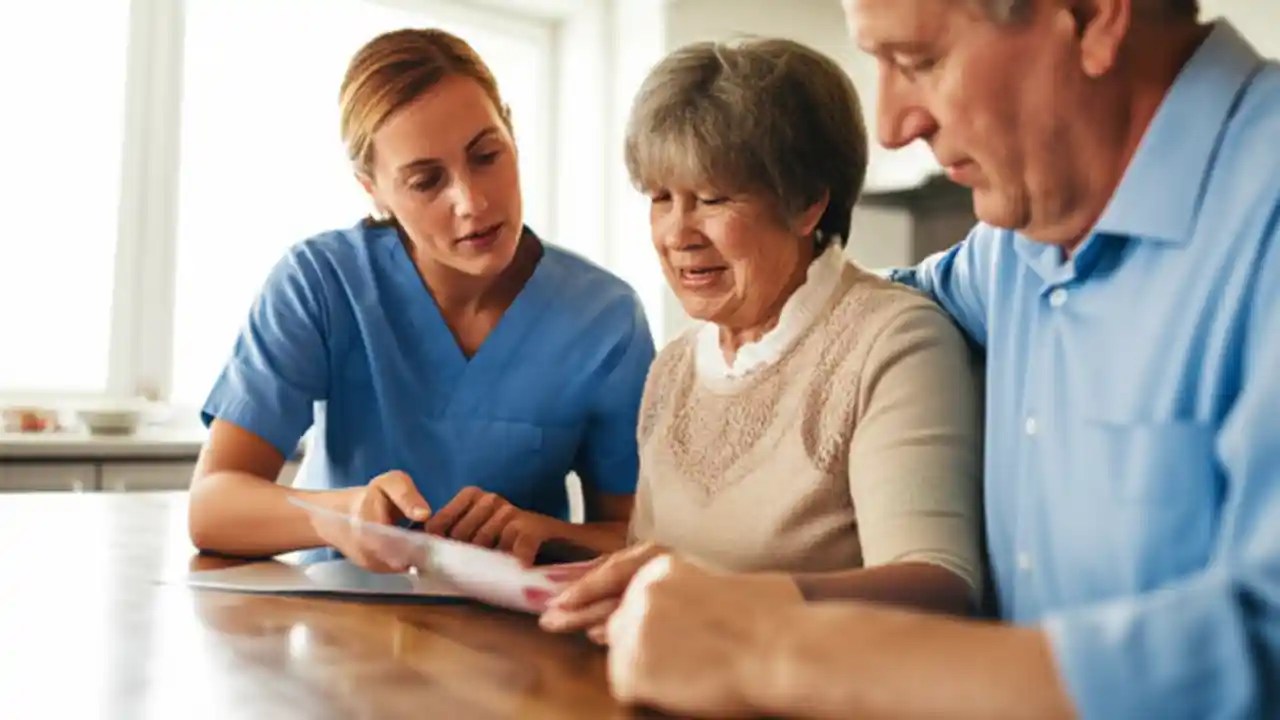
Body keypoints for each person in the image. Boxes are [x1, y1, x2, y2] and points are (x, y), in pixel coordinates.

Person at [600, 1, 1280, 718]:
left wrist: (766, 644)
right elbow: (845, 310)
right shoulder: (1014, 248)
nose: (893, 126)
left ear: (1093, 17)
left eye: (919, 62)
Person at [537, 37, 984, 643]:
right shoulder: (672, 369)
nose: (678, 233)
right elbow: (654, 573)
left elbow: (938, 588)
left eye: (713, 199)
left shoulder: (892, 341)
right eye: (661, 198)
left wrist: (728, 600)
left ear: (807, 205)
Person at [187, 28, 654, 570]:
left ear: (512, 135)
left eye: (486, 155)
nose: (471, 202)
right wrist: (338, 515)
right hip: (336, 629)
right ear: (374, 190)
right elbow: (212, 505)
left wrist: (541, 532)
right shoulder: (320, 284)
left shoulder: (605, 320)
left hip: (514, 639)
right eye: (426, 181)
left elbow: (634, 538)